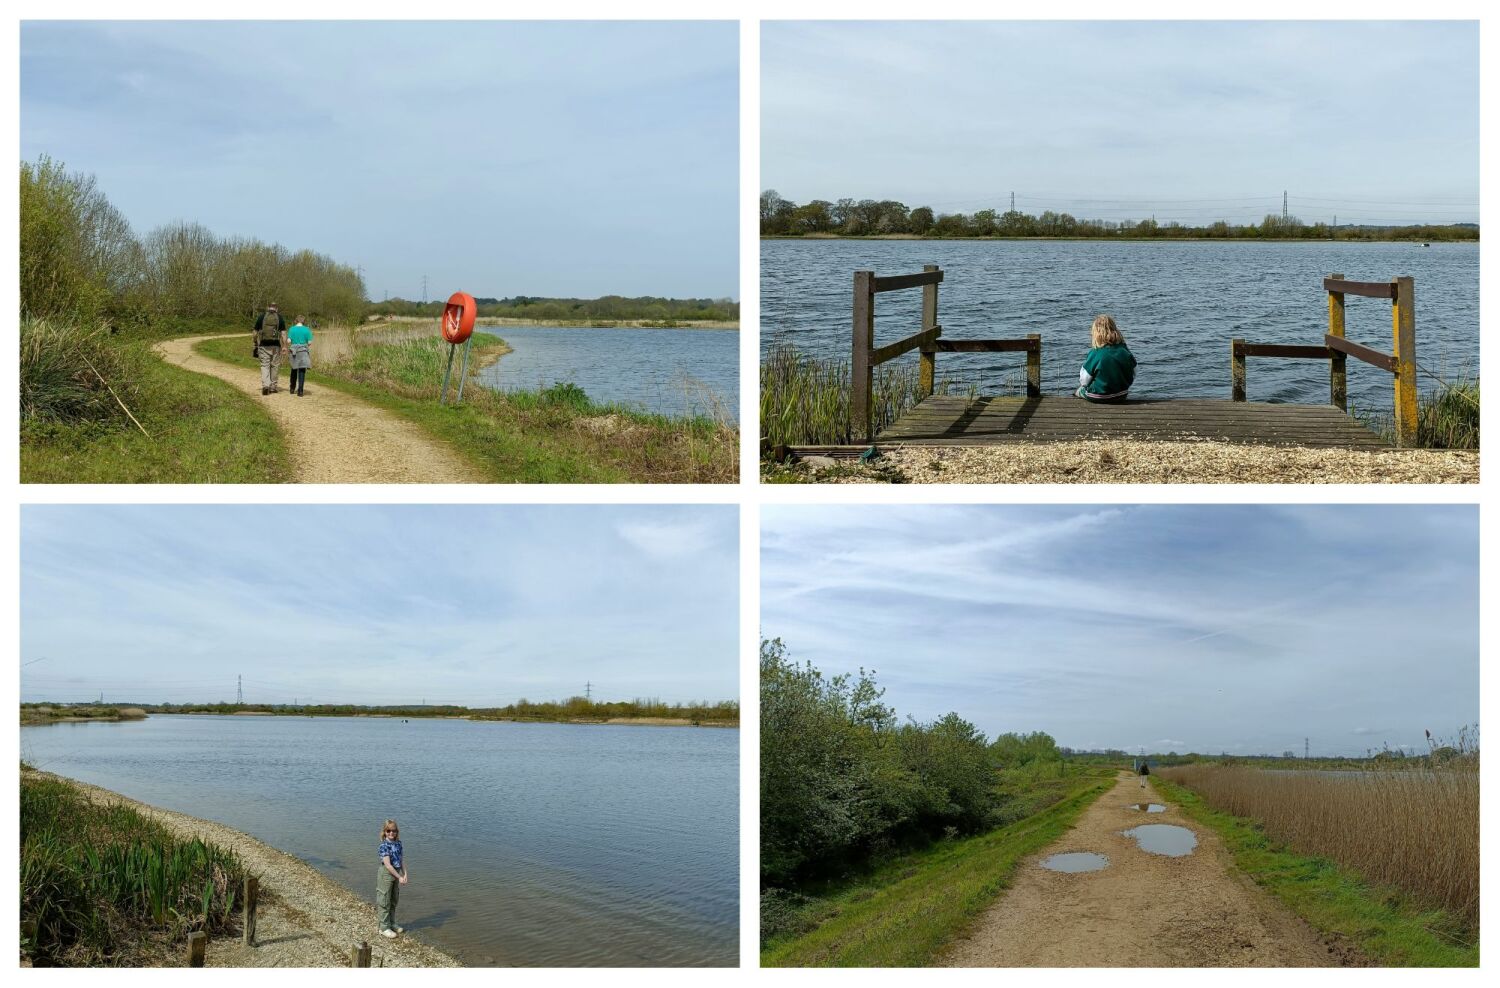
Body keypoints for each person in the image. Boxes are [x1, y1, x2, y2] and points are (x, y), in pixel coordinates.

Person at [1075, 314, 1136, 402]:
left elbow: (1084, 381)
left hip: (1097, 396)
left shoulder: (1095, 353)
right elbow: (1134, 371)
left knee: (1080, 390)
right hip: (1121, 395)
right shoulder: (1124, 350)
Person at [377, 819, 408, 938]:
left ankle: (391, 923)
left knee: (394, 899)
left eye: (394, 830)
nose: (391, 833)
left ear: (397, 832)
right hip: (386, 873)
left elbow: (401, 860)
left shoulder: (399, 843)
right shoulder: (384, 845)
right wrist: (399, 876)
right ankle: (383, 927)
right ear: (384, 832)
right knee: (384, 900)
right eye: (388, 830)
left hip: (397, 873)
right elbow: (388, 865)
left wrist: (405, 874)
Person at [252, 303, 287, 395]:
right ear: (277, 309)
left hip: (263, 345)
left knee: (265, 365)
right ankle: (273, 387)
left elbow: (255, 332)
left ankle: (265, 386)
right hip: (276, 346)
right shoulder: (280, 318)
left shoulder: (262, 317)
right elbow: (283, 334)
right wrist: (284, 346)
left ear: (268, 308)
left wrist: (255, 342)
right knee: (275, 366)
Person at [287, 315, 313, 396]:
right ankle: (300, 391)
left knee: (294, 369)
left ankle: (292, 388)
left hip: (294, 351)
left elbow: (288, 341)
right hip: (303, 351)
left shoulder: (291, 329)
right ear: (303, 321)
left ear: (296, 320)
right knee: (302, 370)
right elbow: (309, 342)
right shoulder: (307, 329)